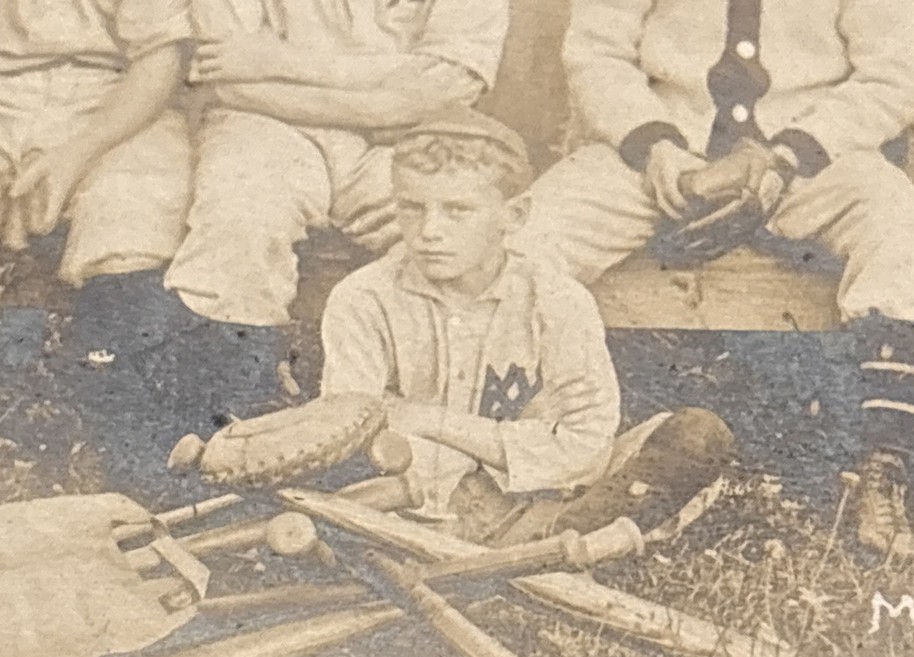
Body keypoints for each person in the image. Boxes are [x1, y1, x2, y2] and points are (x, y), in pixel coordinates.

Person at [513, 0, 914, 557]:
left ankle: (883, 465)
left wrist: (788, 155)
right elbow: (597, 54)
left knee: (902, 231)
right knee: (528, 242)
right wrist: (655, 144)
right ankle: (519, 449)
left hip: (812, 160)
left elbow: (886, 81)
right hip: (664, 159)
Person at [320, 107, 733, 544]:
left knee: (693, 439)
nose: (429, 231)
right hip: (416, 503)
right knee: (366, 486)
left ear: (513, 216)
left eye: (457, 210)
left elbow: (587, 448)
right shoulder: (362, 299)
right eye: (411, 208)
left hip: (541, 495)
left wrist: (429, 421)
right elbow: (350, 438)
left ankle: (554, 534)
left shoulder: (557, 300)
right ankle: (552, 548)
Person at [164, 0, 509, 332]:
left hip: (406, 137)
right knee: (241, 216)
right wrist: (387, 93)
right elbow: (225, 77)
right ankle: (233, 374)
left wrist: (279, 61)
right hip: (267, 123)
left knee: (469, 232)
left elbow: (445, 87)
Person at [0, 0, 192, 285]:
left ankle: (114, 316)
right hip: (8, 90)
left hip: (113, 92)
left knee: (137, 195)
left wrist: (76, 155)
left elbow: (159, 62)